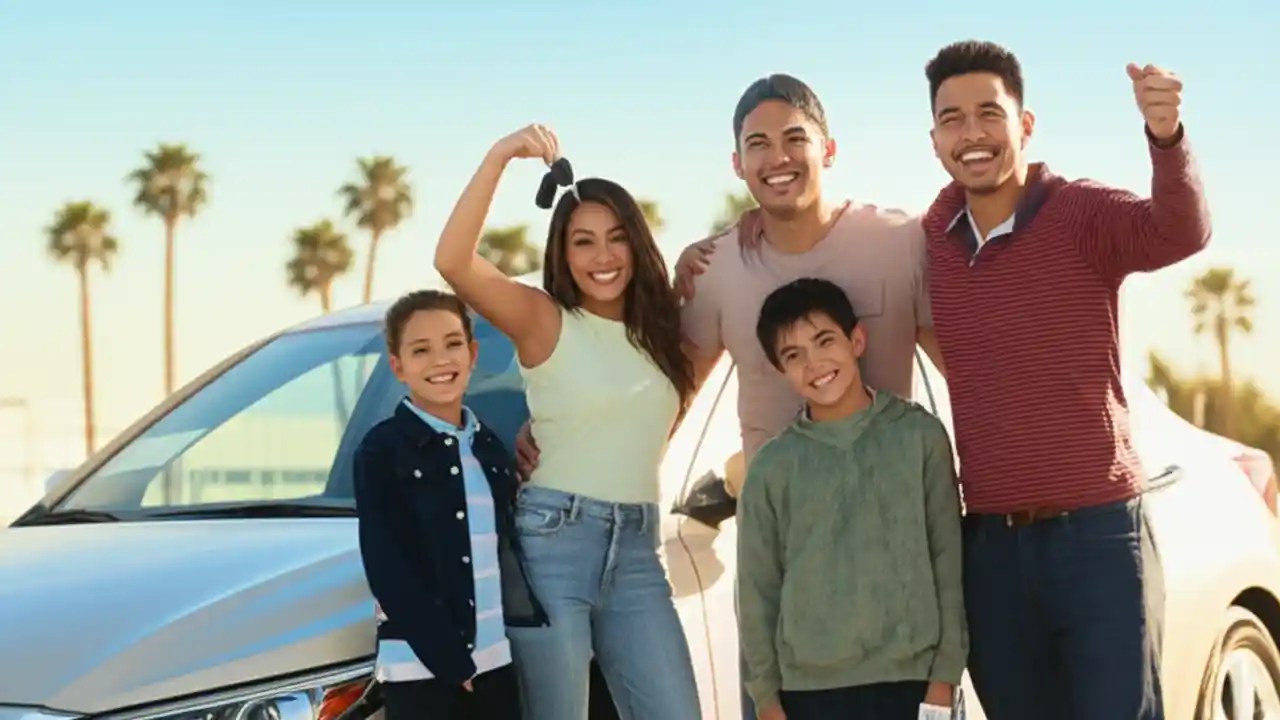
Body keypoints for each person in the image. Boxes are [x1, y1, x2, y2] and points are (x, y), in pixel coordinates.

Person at [517, 74, 944, 720]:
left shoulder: (903, 242)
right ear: (737, 162)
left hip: (898, 564)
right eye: (758, 144)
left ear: (828, 148)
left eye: (794, 138)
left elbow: (968, 372)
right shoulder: (716, 269)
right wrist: (560, 429)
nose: (778, 158)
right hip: (784, 567)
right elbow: (660, 385)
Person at [919, 41, 1211, 719]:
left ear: (1024, 125)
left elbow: (1181, 230)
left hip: (1099, 540)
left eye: (989, 113)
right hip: (989, 551)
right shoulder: (932, 235)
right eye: (952, 119)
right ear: (934, 139)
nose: (972, 134)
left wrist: (1166, 138)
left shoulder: (1081, 213)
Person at [433, 123, 703, 720]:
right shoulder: (542, 318)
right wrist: (501, 155)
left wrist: (702, 257)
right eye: (583, 242)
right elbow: (453, 260)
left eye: (615, 239)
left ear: (637, 243)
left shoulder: (659, 335)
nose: (602, 257)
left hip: (638, 549)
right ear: (563, 252)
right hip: (556, 542)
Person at [737, 277, 966, 720]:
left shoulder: (920, 437)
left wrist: (944, 679)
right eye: (794, 355)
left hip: (913, 682)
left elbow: (948, 561)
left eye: (825, 341)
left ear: (856, 340)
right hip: (809, 690)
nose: (815, 363)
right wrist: (766, 700)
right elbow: (756, 589)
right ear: (781, 371)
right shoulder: (772, 467)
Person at [352, 289, 546, 720]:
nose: (441, 360)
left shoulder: (490, 448)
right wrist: (450, 661)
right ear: (398, 366)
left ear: (473, 354)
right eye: (421, 350)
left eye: (453, 344)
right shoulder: (382, 451)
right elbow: (387, 567)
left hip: (497, 666)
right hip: (424, 673)